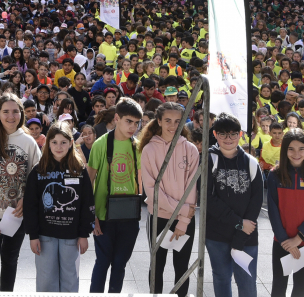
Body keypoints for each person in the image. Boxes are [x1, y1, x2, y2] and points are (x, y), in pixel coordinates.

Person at [0, 92, 41, 292]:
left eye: (15, 111)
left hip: (17, 215)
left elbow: (37, 176)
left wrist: (27, 200)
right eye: (5, 112)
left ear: (21, 113)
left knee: (10, 262)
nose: (11, 116)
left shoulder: (29, 142)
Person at [24, 121, 93, 292]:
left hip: (71, 235)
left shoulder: (79, 169)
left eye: (63, 142)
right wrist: (33, 235)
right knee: (46, 278)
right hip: (45, 236)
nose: (59, 147)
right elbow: (30, 205)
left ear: (71, 143)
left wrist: (84, 234)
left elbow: (87, 203)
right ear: (48, 143)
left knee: (70, 278)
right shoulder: (39, 170)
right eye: (54, 142)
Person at [139, 102, 199, 296]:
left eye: (177, 121)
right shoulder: (149, 150)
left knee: (182, 266)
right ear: (159, 121)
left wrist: (183, 220)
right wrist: (182, 211)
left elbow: (192, 187)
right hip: (159, 217)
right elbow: (151, 190)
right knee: (157, 264)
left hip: (186, 220)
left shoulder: (190, 149)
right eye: (168, 121)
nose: (173, 126)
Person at [203, 112, 264, 297]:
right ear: (215, 135)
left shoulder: (252, 163)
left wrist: (242, 231)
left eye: (232, 134)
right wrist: (238, 222)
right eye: (222, 134)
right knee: (221, 278)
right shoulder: (208, 159)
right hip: (217, 234)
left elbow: (256, 200)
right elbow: (207, 199)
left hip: (246, 234)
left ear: (240, 134)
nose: (228, 138)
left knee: (246, 281)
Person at [87, 98, 144, 294]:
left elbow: (142, 179)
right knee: (103, 262)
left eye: (137, 123)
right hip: (103, 215)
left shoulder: (138, 146)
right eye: (129, 121)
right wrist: (91, 215)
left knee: (120, 264)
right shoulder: (101, 144)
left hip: (129, 214)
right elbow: (89, 180)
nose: (133, 127)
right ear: (117, 118)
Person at [266, 128, 304, 297]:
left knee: (300, 284)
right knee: (279, 283)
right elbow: (273, 210)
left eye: (301, 149)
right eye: (291, 149)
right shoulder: (275, 175)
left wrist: (299, 238)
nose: (296, 153)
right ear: (284, 150)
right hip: (282, 240)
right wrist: (285, 240)